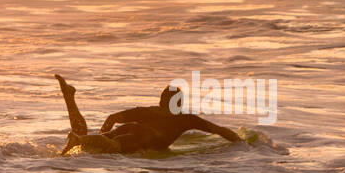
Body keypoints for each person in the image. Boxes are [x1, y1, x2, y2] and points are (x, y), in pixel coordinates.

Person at [55, 74, 241, 155]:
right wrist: (242, 143)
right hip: (141, 139)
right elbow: (220, 130)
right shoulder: (186, 119)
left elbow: (112, 118)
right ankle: (79, 140)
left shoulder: (147, 111)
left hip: (129, 130)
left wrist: (103, 134)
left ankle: (71, 103)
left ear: (161, 101)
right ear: (179, 103)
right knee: (114, 146)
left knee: (93, 139)